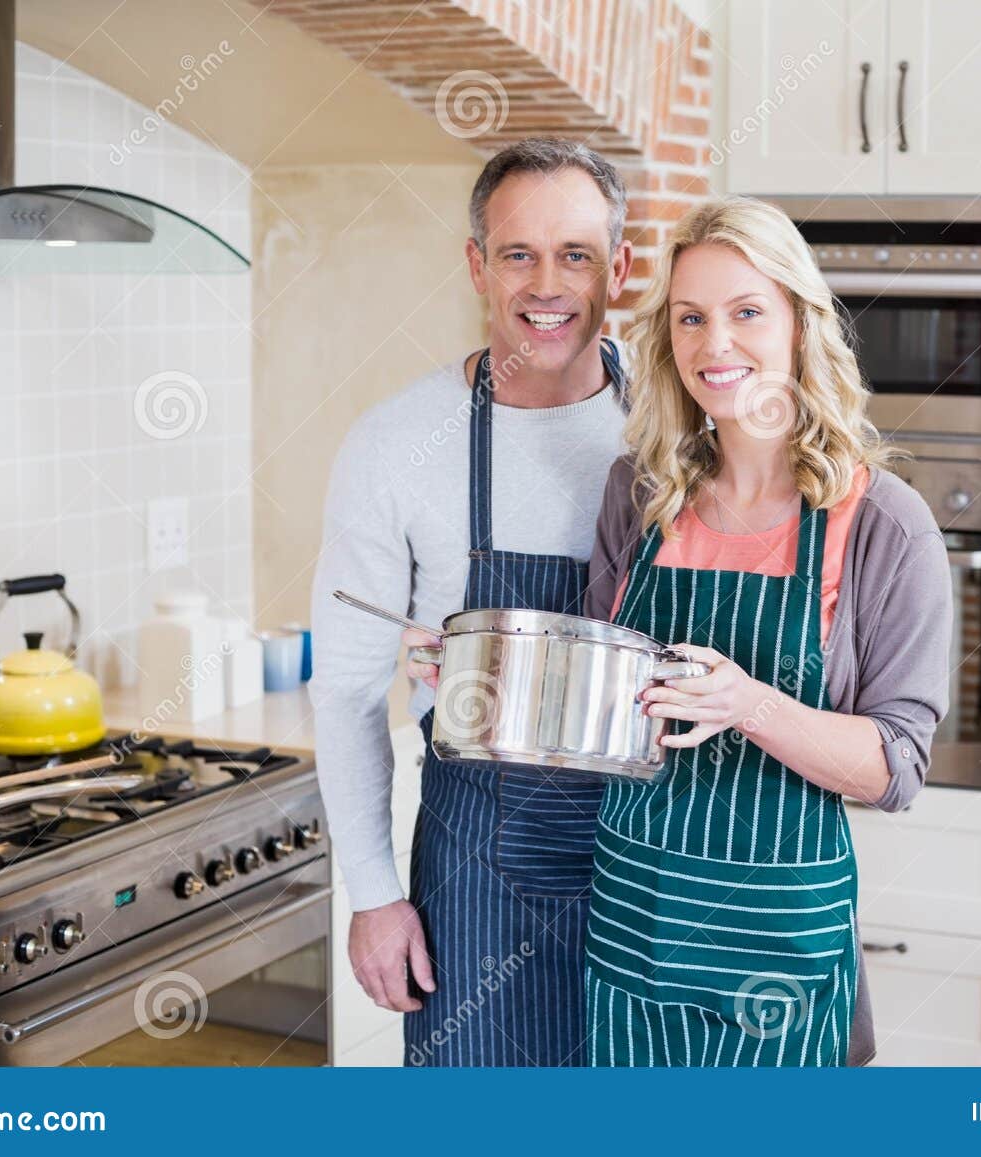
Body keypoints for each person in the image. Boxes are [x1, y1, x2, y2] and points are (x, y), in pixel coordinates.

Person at [581, 196, 952, 1066]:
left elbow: (896, 769)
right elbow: (603, 706)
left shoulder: (883, 523)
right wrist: (488, 673)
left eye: (747, 312)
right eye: (691, 318)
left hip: (777, 957)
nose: (716, 345)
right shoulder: (637, 493)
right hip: (634, 932)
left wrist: (749, 703)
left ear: (798, 324)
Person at [308, 138, 633, 1066]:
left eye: (576, 254)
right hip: (480, 877)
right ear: (476, 263)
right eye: (518, 253)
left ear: (621, 264)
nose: (547, 284)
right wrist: (372, 892)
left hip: (656, 865)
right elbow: (344, 689)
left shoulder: (678, 429)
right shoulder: (395, 444)